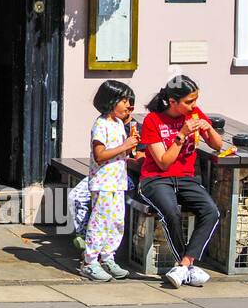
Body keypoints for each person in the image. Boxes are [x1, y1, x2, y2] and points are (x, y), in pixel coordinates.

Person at [136, 75, 224, 288]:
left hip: (186, 178)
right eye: (189, 101)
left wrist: (208, 128)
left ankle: (184, 264)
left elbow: (218, 145)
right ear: (173, 102)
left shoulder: (194, 114)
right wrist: (181, 135)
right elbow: (164, 163)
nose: (194, 105)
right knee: (171, 212)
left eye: (195, 100)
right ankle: (187, 266)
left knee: (211, 210)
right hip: (155, 179)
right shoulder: (153, 121)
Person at [80, 80, 141, 282]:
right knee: (100, 222)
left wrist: (130, 145)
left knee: (116, 221)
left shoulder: (117, 124)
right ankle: (90, 261)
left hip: (117, 182)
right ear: (110, 101)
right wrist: (125, 146)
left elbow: (121, 152)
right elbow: (100, 155)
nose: (128, 105)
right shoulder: (101, 124)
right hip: (103, 183)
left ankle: (107, 256)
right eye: (124, 101)